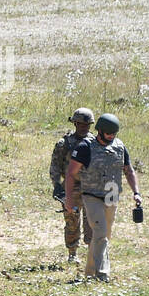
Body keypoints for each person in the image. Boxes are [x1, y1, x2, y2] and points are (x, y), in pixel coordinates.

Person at [64, 113, 142, 282]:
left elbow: (128, 170)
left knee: (105, 235)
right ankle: (102, 274)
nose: (111, 137)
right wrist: (69, 200)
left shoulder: (120, 147)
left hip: (112, 195)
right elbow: (71, 173)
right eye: (108, 133)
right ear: (99, 131)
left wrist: (136, 192)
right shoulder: (85, 147)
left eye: (114, 134)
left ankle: (90, 273)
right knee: (99, 232)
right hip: (92, 196)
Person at [51, 107, 95, 263]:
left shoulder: (94, 142)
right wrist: (56, 184)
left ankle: (92, 252)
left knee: (92, 222)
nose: (85, 128)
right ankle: (72, 253)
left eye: (87, 125)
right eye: (82, 125)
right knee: (72, 222)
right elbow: (55, 165)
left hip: (90, 188)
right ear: (75, 124)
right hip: (71, 189)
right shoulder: (64, 143)